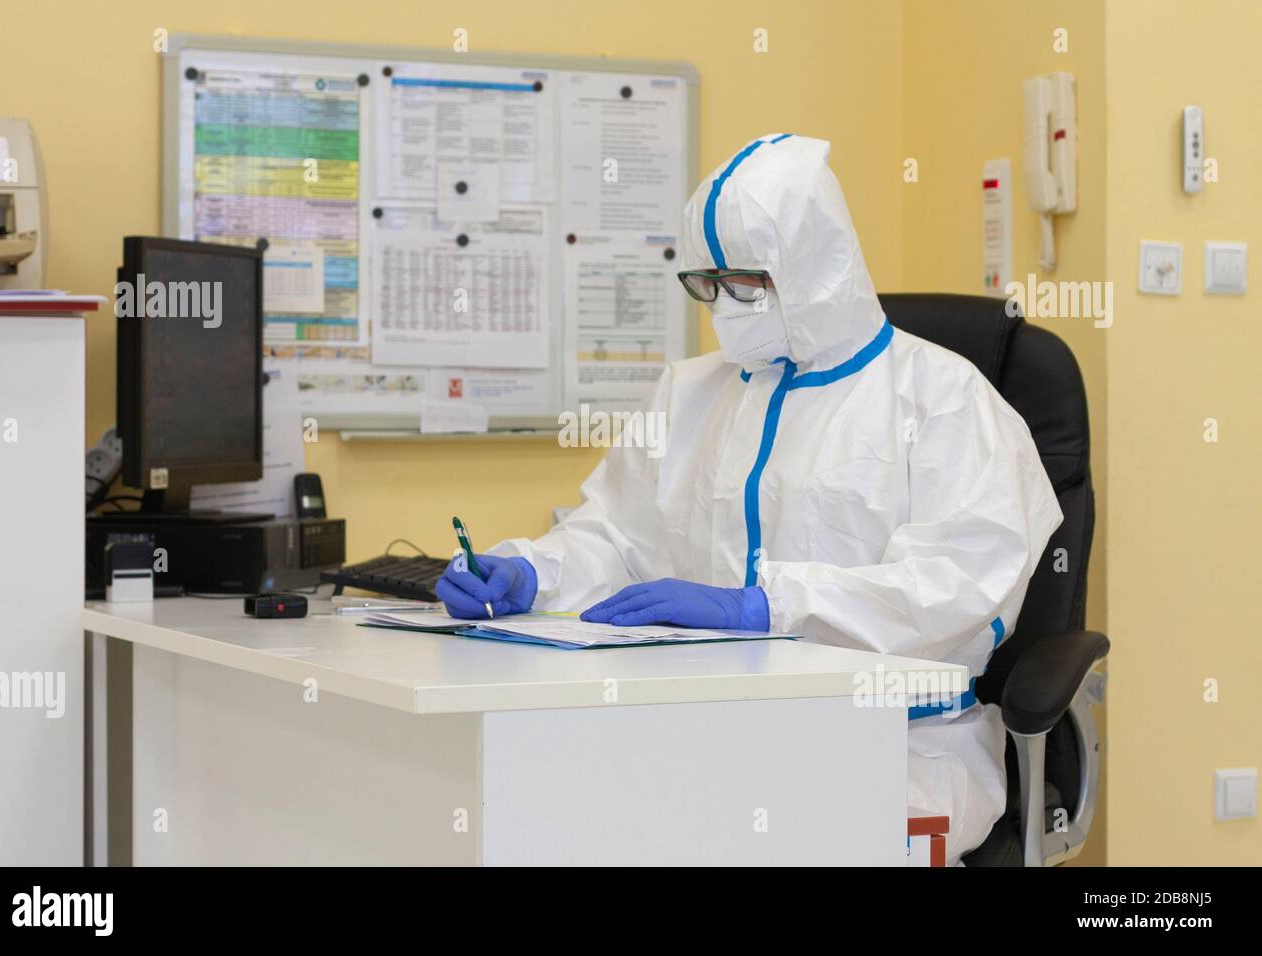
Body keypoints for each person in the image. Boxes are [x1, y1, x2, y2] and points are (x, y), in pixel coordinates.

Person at [435, 134, 1062, 863]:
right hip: (699, 732)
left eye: (745, 283)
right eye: (708, 283)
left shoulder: (945, 400)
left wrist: (769, 609)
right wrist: (532, 572)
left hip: (897, 751)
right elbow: (614, 536)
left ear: (815, 263)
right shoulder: (692, 393)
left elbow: (960, 594)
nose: (723, 306)